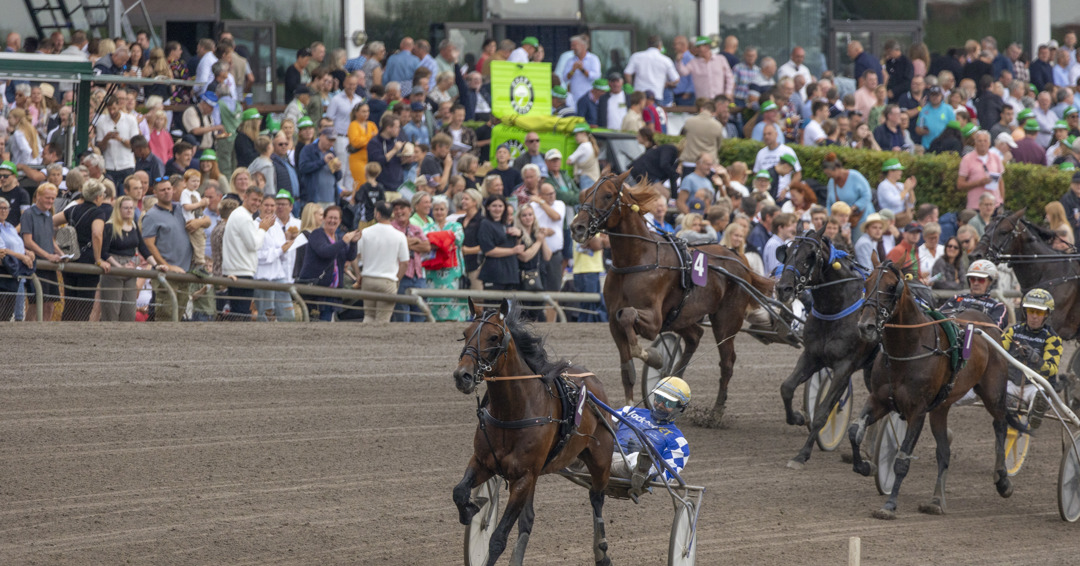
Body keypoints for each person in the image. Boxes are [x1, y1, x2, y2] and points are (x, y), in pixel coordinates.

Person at [611, 377, 691, 488]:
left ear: (680, 408)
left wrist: (641, 459)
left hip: (627, 468)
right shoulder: (628, 411)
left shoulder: (678, 441)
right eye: (658, 398)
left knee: (637, 458)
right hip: (602, 454)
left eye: (668, 403)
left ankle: (641, 466)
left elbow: (666, 478)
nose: (660, 404)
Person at [1001, 289, 1063, 430]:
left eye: (1039, 312)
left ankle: (1037, 408)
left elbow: (1052, 369)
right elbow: (997, 352)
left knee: (1040, 392)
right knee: (997, 386)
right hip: (1011, 382)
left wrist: (1036, 359)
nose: (1034, 316)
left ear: (1047, 314)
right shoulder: (1013, 331)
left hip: (1035, 386)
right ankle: (1008, 400)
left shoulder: (1052, 338)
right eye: (1031, 311)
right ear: (1025, 312)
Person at [52, 180, 110, 320]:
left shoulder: (73, 209)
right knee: (84, 304)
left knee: (70, 302)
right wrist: (98, 260)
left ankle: (64, 334)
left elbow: (50, 222)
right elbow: (96, 234)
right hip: (87, 263)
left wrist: (57, 246)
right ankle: (78, 336)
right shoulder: (98, 212)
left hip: (71, 260)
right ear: (97, 197)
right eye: (102, 194)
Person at [222, 186, 277, 321]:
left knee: (239, 315)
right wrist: (263, 229)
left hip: (238, 271)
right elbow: (254, 244)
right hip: (241, 273)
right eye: (254, 200)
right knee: (241, 317)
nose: (257, 204)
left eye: (259, 201)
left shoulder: (242, 215)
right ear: (245, 197)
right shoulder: (243, 217)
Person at [99, 195, 153, 321]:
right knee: (112, 309)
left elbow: (143, 248)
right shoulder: (109, 226)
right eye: (126, 208)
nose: (129, 210)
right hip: (113, 266)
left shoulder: (133, 225)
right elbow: (104, 252)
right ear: (119, 209)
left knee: (129, 309)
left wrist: (156, 264)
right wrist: (119, 267)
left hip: (130, 266)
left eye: (132, 208)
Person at [355, 201, 406, 322]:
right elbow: (405, 263)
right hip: (388, 280)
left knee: (368, 315)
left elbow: (354, 256)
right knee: (383, 318)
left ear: (377, 214)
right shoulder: (399, 235)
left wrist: (358, 275)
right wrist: (397, 279)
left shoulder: (365, 232)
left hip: (368, 278)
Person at [19, 182, 61, 320]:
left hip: (49, 265)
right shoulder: (28, 214)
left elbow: (50, 240)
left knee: (50, 304)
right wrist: (47, 255)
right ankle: (28, 333)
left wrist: (60, 253)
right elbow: (28, 241)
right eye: (47, 197)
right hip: (37, 265)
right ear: (38, 196)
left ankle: (45, 334)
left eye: (53, 198)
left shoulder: (49, 215)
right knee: (35, 303)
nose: (50, 201)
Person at [252, 194, 297, 322]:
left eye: (272, 205)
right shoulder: (254, 226)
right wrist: (280, 250)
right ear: (260, 206)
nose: (269, 208)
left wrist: (286, 248)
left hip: (278, 275)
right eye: (266, 205)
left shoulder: (277, 226)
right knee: (266, 315)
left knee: (288, 314)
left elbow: (282, 256)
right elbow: (258, 255)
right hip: (262, 276)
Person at [390, 198, 431, 322]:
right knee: (402, 316)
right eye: (396, 209)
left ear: (410, 210)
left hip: (417, 275)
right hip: (400, 276)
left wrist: (406, 244)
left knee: (420, 314)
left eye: (402, 208)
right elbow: (393, 246)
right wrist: (416, 241)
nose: (399, 212)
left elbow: (427, 247)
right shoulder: (391, 228)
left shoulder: (416, 228)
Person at [477, 195, 522, 291]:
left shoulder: (506, 225)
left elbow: (519, 247)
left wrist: (519, 235)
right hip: (494, 274)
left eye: (500, 206)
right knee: (493, 305)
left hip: (511, 273)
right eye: (494, 206)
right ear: (488, 207)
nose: (497, 209)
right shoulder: (485, 224)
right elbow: (489, 250)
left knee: (509, 305)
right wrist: (512, 251)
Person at [0, 197, 35, 320]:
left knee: (17, 312)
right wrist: (22, 256)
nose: (3, 211)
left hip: (18, 272)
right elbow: (2, 250)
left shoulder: (9, 227)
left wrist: (27, 252)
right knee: (4, 311)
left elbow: (17, 244)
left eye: (6, 208)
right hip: (5, 273)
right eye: (1, 208)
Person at [822, 153, 874, 236]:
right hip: (842, 221)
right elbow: (829, 203)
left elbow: (867, 195)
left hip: (861, 218)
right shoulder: (832, 182)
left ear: (837, 169)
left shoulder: (855, 176)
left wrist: (853, 208)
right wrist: (829, 218)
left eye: (829, 173)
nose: (829, 176)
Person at [957, 130, 1004, 210]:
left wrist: (1001, 201)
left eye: (985, 141)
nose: (982, 143)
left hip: (994, 205)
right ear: (975, 143)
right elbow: (960, 184)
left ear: (989, 143)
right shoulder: (967, 159)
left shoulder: (996, 157)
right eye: (979, 141)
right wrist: (978, 183)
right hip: (976, 205)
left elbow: (1001, 181)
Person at [677, 36, 733, 101]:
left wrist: (728, 92)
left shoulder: (720, 59)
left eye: (698, 47)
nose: (696, 49)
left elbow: (729, 77)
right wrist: (679, 62)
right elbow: (683, 72)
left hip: (719, 99)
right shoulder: (694, 62)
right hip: (703, 100)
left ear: (707, 47)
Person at [623, 35, 679, 101]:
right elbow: (676, 79)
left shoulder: (636, 56)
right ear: (660, 45)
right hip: (656, 95)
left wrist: (630, 87)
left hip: (639, 94)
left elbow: (627, 73)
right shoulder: (666, 60)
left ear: (648, 44)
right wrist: (667, 84)